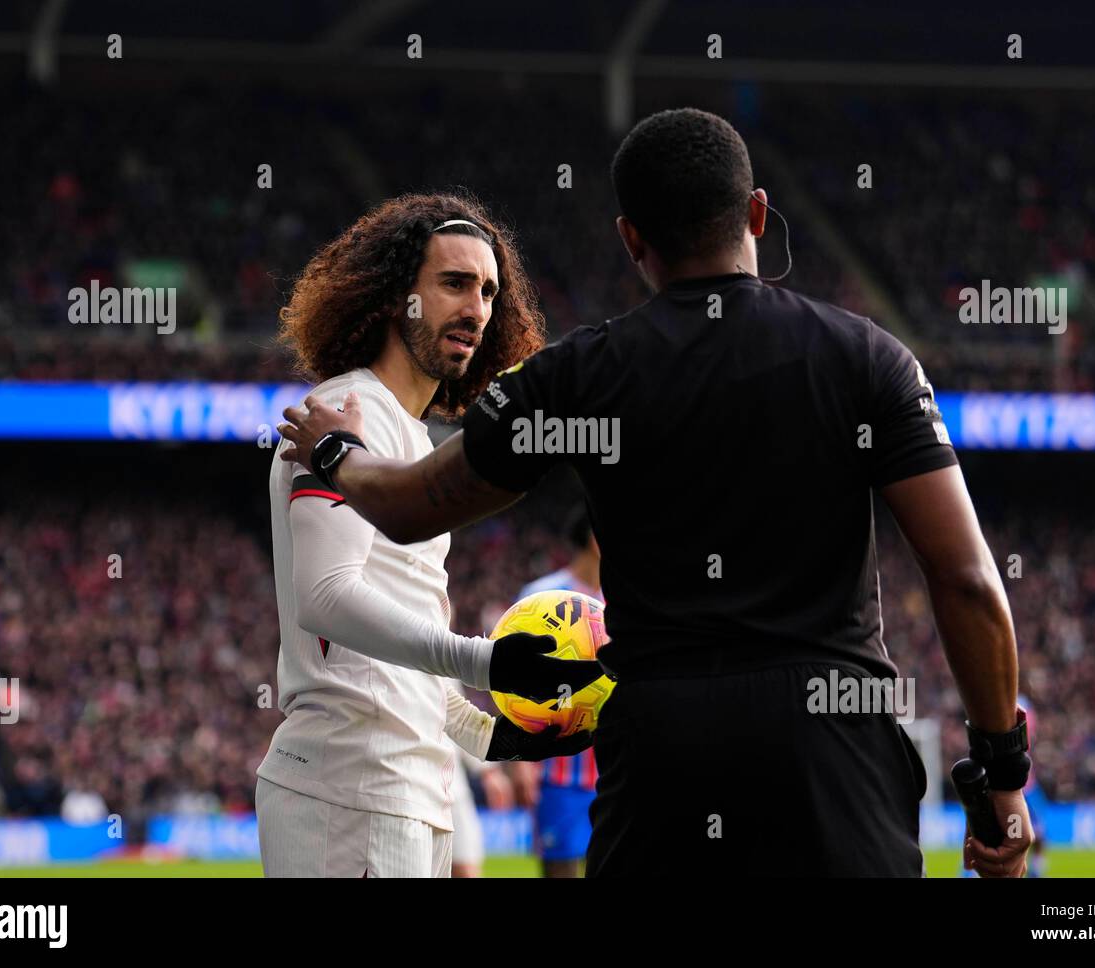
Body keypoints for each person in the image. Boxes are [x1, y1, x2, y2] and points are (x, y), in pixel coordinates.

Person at [277, 110, 1032, 878]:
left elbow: (409, 506)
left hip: (662, 760)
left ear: (632, 238)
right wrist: (1002, 778)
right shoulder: (869, 359)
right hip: (832, 749)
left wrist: (335, 453)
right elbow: (967, 580)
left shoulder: (578, 376)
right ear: (758, 215)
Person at [257, 192, 598, 878]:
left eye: (489, 291)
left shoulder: (412, 441)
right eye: (454, 283)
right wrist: (487, 662)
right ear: (392, 297)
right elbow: (323, 596)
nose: (476, 309)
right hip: (346, 790)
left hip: (402, 793)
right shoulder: (344, 414)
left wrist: (500, 735)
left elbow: (415, 678)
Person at [510, 506, 604, 877]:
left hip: (617, 765)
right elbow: (516, 682)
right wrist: (520, 762)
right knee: (560, 869)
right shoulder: (542, 596)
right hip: (559, 769)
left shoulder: (629, 602)